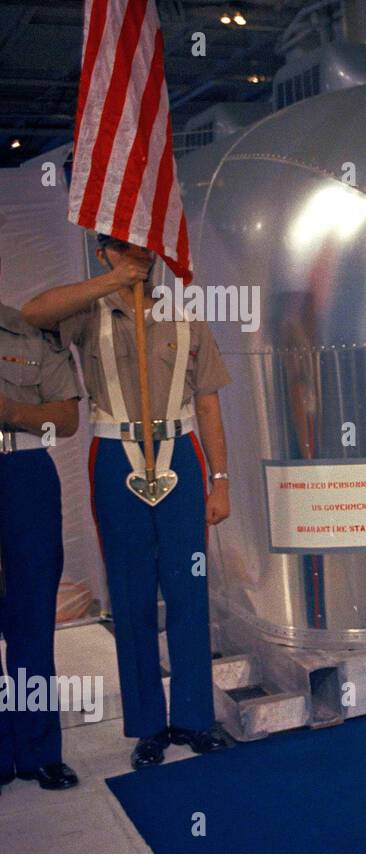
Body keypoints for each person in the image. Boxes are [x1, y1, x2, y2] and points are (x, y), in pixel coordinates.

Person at [22, 234, 234, 769]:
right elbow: (32, 313)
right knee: (131, 593)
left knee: (188, 590)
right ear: (101, 253)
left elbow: (207, 404)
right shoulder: (85, 314)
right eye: (122, 247)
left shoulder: (187, 318)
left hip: (181, 455)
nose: (138, 255)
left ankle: (193, 717)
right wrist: (112, 282)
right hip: (115, 457)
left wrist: (222, 478)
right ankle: (148, 725)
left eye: (144, 246)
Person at [0, 300, 81, 794]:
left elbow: (66, 419)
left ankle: (39, 751)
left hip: (25, 474)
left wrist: (11, 411)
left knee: (31, 615)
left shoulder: (29, 332)